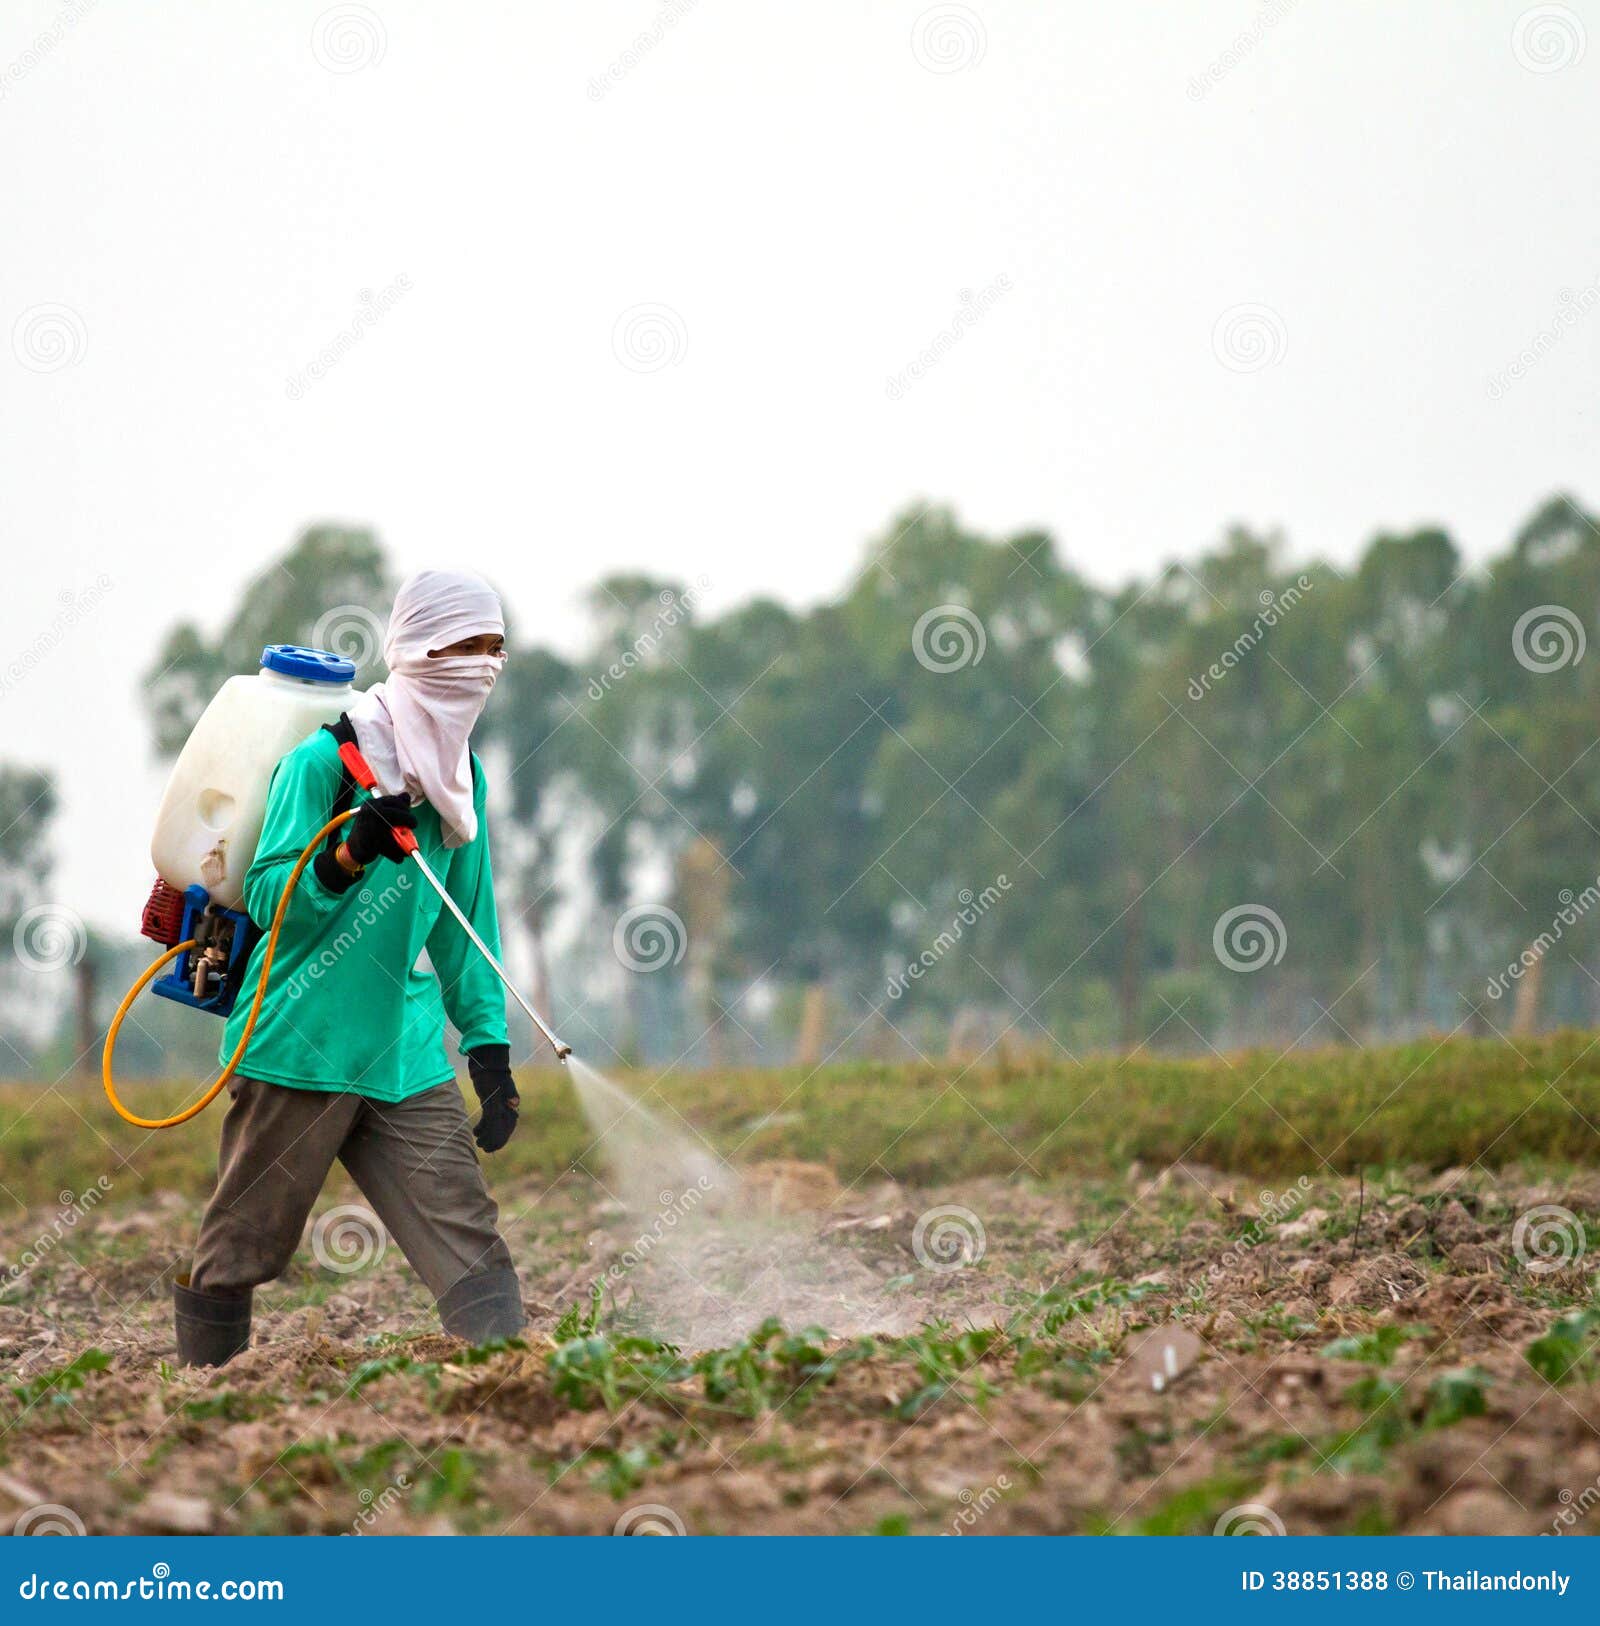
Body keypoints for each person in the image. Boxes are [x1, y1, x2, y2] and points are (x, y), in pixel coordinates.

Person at [173, 570, 525, 1365]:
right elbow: (269, 893)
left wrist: (488, 1048)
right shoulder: (322, 763)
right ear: (422, 650)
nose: (485, 669)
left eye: (496, 653)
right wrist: (348, 852)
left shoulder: (461, 781)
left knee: (472, 1250)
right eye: (470, 649)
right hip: (302, 1042)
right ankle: (199, 1399)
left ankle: (510, 1388)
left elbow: (467, 930)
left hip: (402, 1054)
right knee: (241, 1252)